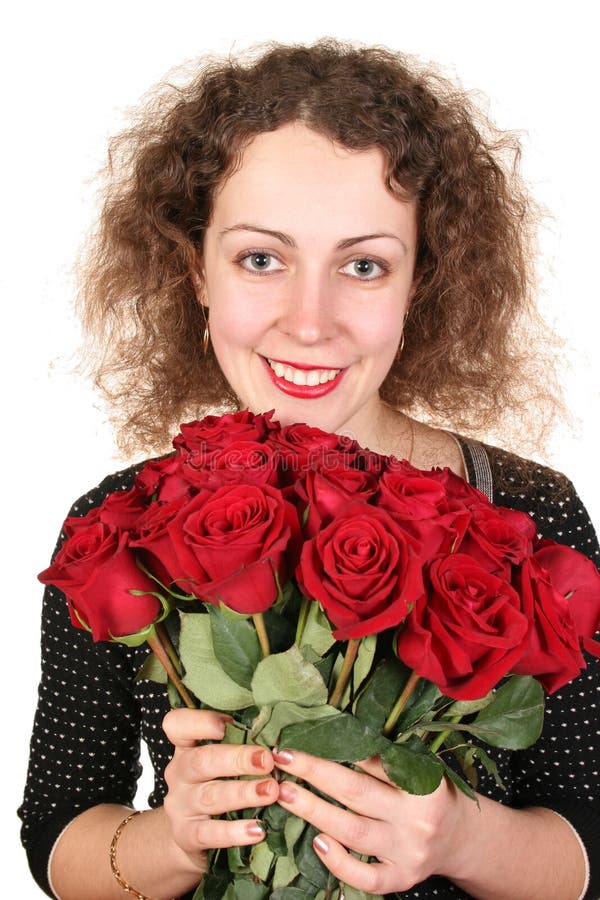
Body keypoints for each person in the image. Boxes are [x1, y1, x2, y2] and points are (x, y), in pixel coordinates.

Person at [19, 39, 599, 900]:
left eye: (363, 265)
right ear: (197, 271)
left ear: (418, 282)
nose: (309, 322)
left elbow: (588, 838)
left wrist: (464, 838)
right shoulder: (120, 523)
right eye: (262, 258)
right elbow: (59, 833)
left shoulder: (527, 510)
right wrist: (172, 841)